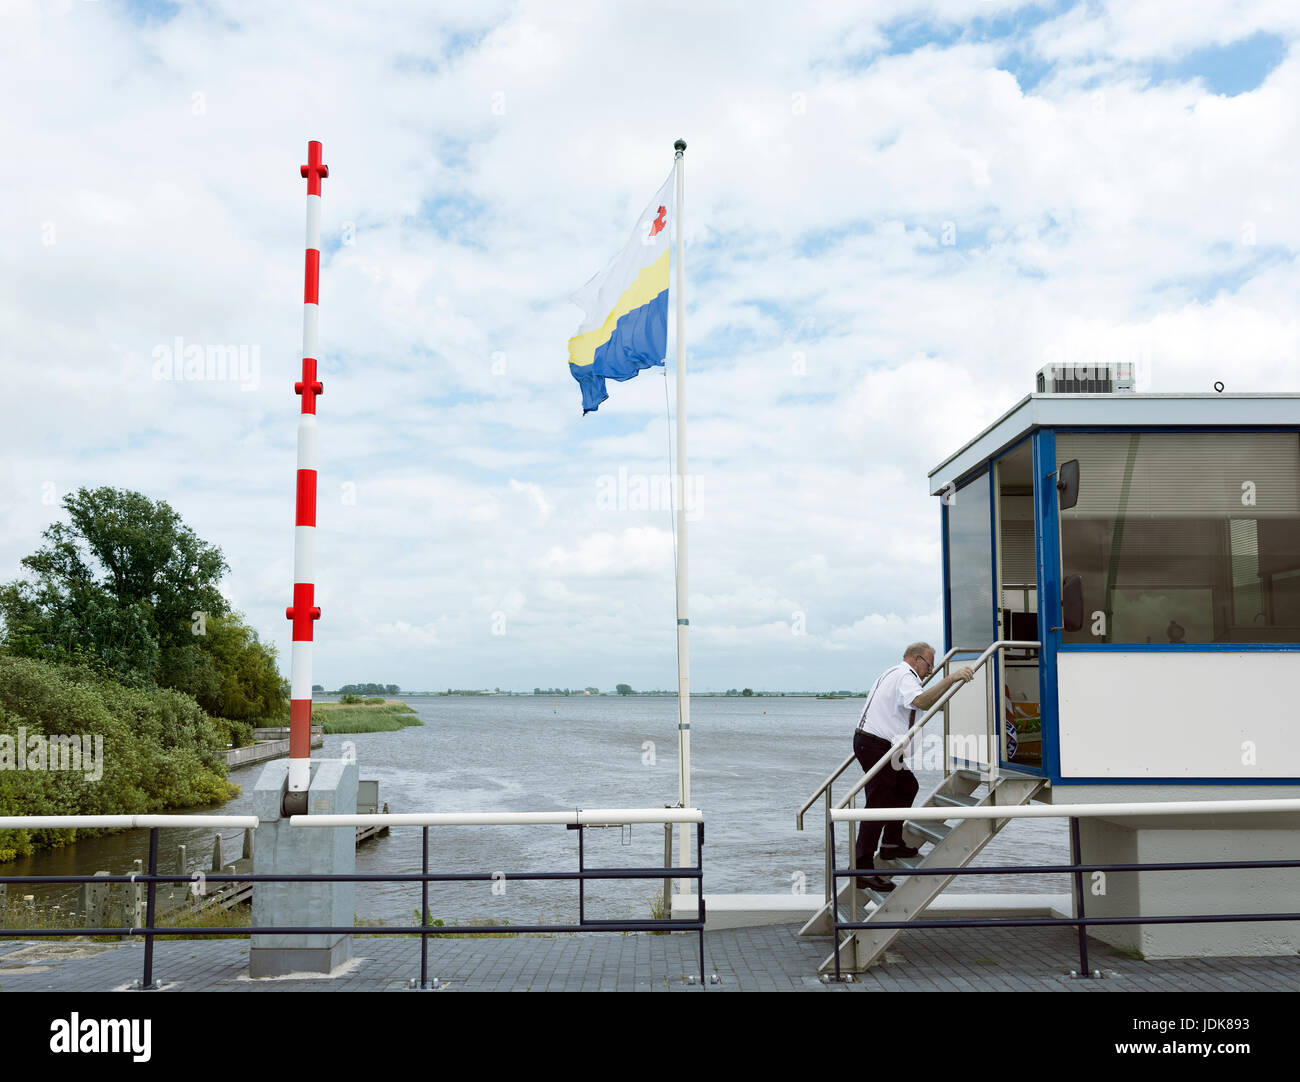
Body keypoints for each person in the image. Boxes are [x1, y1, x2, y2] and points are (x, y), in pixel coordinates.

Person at [852, 642, 974, 891]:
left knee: (907, 786)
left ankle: (891, 844)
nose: (930, 672)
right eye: (929, 665)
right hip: (875, 745)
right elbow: (921, 701)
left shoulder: (895, 673)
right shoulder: (906, 675)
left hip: (878, 744)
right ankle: (862, 870)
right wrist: (950, 678)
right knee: (877, 805)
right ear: (917, 659)